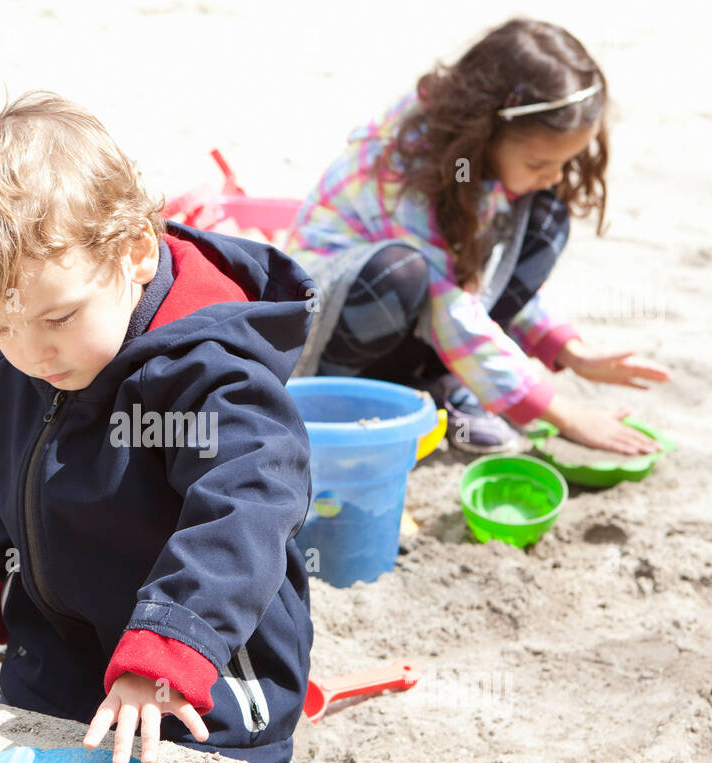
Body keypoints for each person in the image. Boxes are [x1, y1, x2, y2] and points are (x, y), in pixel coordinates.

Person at [0, 92, 315, 763]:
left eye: (59, 317)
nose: (32, 352)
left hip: (200, 676)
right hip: (63, 662)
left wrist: (169, 649)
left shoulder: (211, 378)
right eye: (0, 325)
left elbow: (247, 509)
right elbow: (31, 474)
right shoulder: (21, 371)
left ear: (135, 253)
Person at [286, 18, 671, 454]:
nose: (555, 176)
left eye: (566, 161)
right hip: (330, 327)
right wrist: (565, 414)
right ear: (485, 133)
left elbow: (483, 274)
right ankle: (337, 405)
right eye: (538, 163)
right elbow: (448, 306)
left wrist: (569, 351)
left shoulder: (476, 162)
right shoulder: (401, 164)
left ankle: (445, 387)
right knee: (401, 272)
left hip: (421, 323)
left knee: (546, 217)